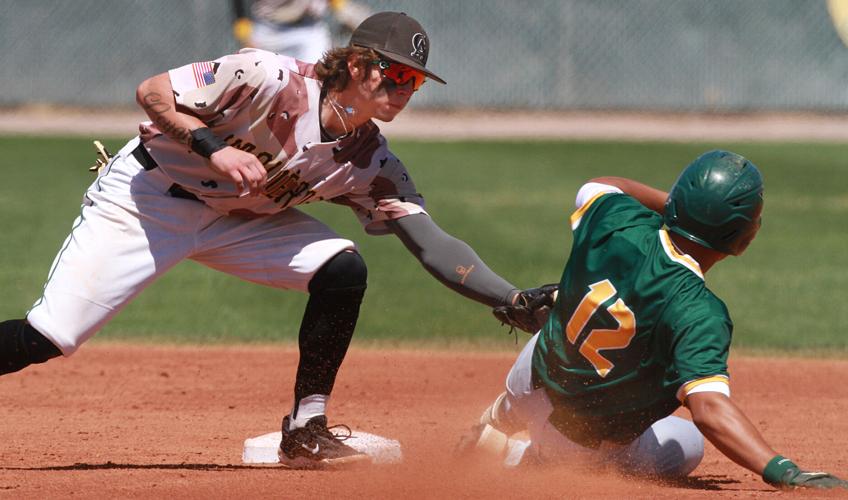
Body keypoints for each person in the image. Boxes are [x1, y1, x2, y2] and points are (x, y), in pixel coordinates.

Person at [0, 12, 552, 469]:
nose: (406, 91)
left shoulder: (371, 161)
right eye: (397, 76)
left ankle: (306, 428)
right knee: (50, 336)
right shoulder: (267, 75)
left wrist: (509, 299)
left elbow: (430, 242)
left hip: (241, 222)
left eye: (416, 83)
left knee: (342, 268)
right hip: (148, 199)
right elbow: (152, 93)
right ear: (358, 65)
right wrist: (214, 147)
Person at [462, 151, 848, 490]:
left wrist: (682, 207)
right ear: (742, 239)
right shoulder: (699, 311)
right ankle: (522, 459)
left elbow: (600, 184)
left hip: (529, 376)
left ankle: (500, 418)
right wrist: (783, 470)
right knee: (687, 444)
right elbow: (709, 410)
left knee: (558, 333)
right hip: (574, 442)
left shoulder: (615, 220)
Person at [232, 0, 371, 63]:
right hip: (269, 30)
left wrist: (339, 5)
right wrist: (242, 23)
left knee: (314, 78)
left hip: (309, 30)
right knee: (265, 85)